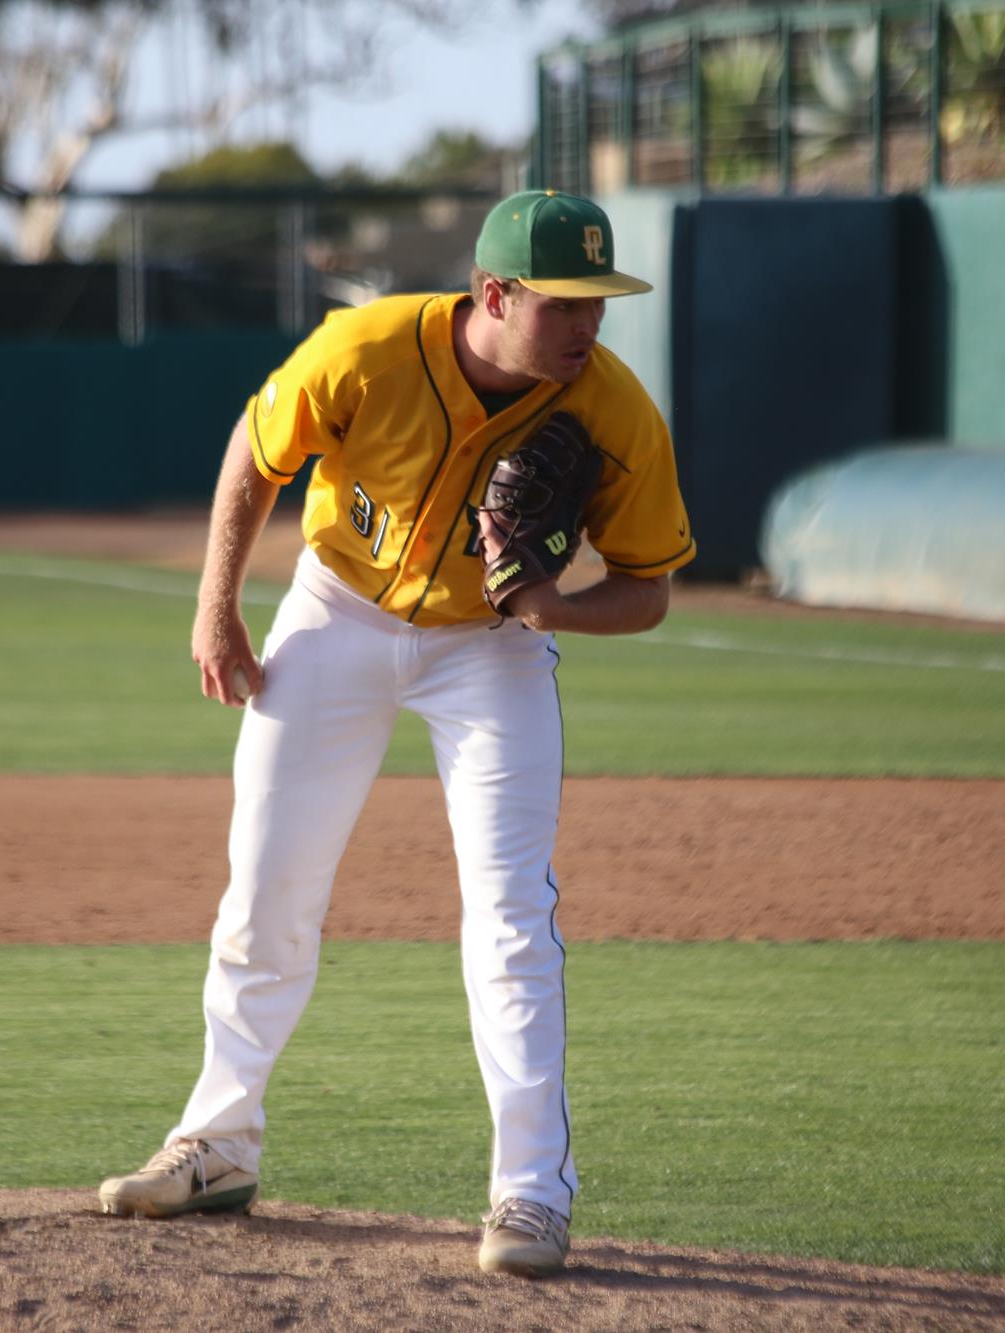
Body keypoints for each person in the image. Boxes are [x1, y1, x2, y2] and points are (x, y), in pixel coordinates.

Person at [98, 189, 696, 1278]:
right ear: (494, 293)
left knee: (511, 917)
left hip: (489, 649)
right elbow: (258, 449)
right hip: (337, 611)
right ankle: (216, 1144)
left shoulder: (615, 412)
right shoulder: (367, 349)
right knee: (266, 890)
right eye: (562, 302)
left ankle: (530, 1194)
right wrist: (216, 605)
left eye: (597, 302)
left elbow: (649, 587)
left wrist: (552, 607)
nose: (586, 325)